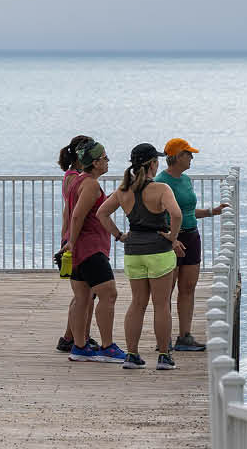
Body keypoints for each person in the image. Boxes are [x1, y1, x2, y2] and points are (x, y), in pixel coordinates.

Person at [97, 143, 185, 370]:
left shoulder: (123, 190)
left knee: (137, 303)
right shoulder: (162, 189)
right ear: (153, 164)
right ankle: (164, 355)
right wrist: (172, 238)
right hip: (158, 252)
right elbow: (176, 214)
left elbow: (102, 213)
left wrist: (119, 235)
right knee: (161, 304)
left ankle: (132, 355)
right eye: (157, 161)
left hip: (133, 251)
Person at [55, 137, 126, 364]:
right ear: (95, 162)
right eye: (105, 158)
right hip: (89, 248)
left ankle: (79, 347)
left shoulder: (77, 181)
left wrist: (68, 242)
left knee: (83, 297)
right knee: (108, 294)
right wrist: (72, 243)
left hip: (80, 248)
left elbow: (71, 212)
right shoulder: (90, 184)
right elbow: (77, 214)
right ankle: (107, 346)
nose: (108, 161)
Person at [155, 138, 230, 352]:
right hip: (171, 239)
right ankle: (164, 337)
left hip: (191, 236)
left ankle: (185, 336)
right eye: (188, 154)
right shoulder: (161, 182)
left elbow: (186, 212)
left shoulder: (186, 180)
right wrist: (172, 239)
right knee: (167, 290)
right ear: (178, 157)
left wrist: (210, 212)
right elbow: (158, 217)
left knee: (188, 288)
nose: (192, 158)